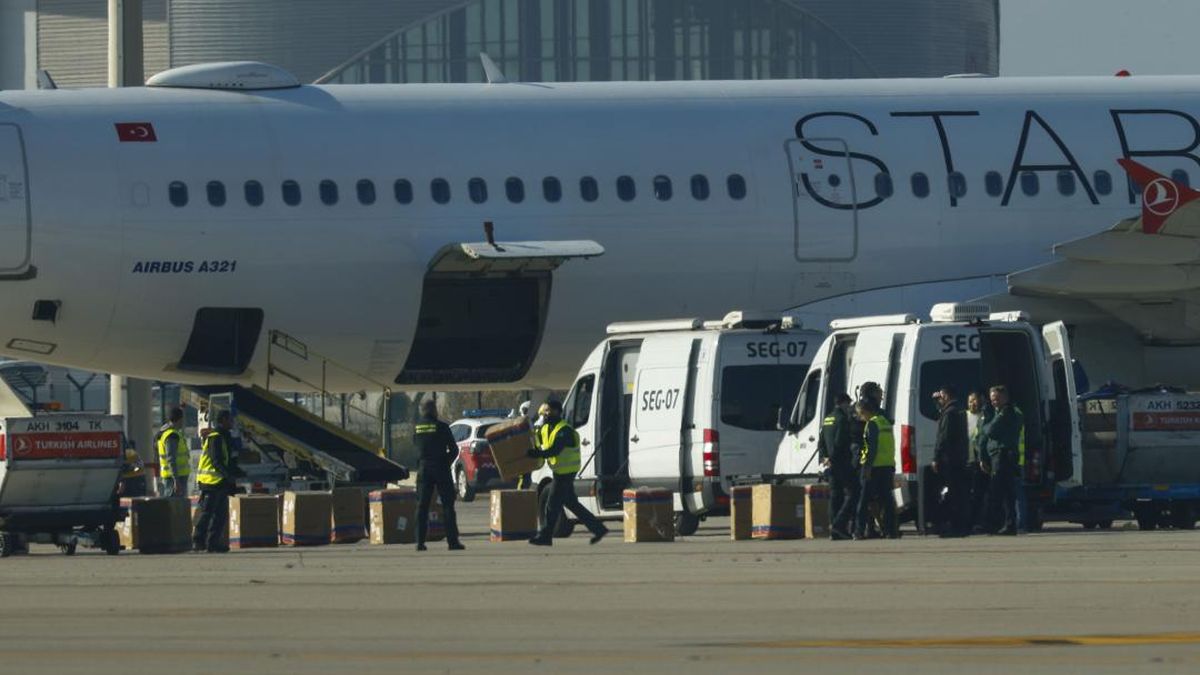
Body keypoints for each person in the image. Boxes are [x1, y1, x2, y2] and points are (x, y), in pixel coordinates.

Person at [528, 400, 608, 546]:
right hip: (558, 471)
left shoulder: (564, 430)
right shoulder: (546, 429)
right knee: (572, 504)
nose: (545, 414)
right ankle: (599, 529)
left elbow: (554, 450)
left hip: (566, 473)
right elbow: (538, 441)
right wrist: (533, 431)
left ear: (557, 412)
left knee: (552, 504)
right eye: (544, 412)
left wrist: (536, 453)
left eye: (548, 411)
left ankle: (546, 536)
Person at [413, 400, 465, 552]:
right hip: (441, 469)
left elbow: (416, 447)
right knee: (448, 506)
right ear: (434, 410)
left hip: (424, 469)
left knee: (422, 507)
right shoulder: (442, 427)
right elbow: (454, 450)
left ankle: (420, 543)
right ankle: (452, 542)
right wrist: (446, 462)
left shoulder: (417, 428)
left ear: (422, 411)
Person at [979, 385, 1023, 535]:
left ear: (1005, 398)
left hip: (1003, 455)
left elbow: (989, 430)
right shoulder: (998, 412)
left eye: (997, 398)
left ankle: (997, 524)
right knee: (1006, 492)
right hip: (999, 455)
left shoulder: (1007, 412)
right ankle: (1008, 524)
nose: (994, 402)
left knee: (998, 491)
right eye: (992, 399)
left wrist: (986, 424)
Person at [853, 399, 898, 540]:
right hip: (887, 466)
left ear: (865, 411)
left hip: (874, 467)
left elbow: (871, 448)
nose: (860, 417)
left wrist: (867, 467)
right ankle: (891, 531)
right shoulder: (885, 422)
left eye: (860, 414)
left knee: (864, 500)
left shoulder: (872, 424)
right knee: (887, 500)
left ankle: (859, 531)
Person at [192, 411, 237, 553]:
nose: (233, 422)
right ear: (223, 420)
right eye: (230, 419)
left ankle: (213, 543)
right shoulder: (215, 438)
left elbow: (226, 460)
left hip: (220, 482)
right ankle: (198, 541)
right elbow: (216, 460)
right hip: (210, 482)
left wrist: (236, 473)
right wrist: (228, 475)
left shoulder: (225, 437)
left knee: (220, 514)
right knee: (207, 513)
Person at [932, 385, 970, 537]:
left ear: (946, 396)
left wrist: (936, 457)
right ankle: (961, 525)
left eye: (941, 396)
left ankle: (954, 526)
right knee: (959, 493)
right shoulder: (959, 410)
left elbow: (943, 437)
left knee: (952, 493)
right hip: (959, 458)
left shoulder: (949, 413)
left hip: (949, 459)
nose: (940, 399)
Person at [818, 393, 856, 539]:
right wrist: (833, 458)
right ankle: (839, 525)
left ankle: (834, 530)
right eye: (848, 404)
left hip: (831, 463)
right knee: (854, 492)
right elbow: (840, 442)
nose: (849, 407)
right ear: (843, 403)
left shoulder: (827, 419)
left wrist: (825, 457)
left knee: (835, 495)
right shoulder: (842, 420)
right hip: (841, 462)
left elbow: (821, 442)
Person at [966, 392, 992, 528]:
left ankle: (980, 521)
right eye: (969, 401)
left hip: (979, 461)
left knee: (980, 492)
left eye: (974, 401)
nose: (972, 404)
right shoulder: (964, 417)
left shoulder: (984, 417)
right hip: (967, 461)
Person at [156, 406, 190, 498]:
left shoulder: (165, 433)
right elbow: (171, 459)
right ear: (180, 419)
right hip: (175, 478)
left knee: (174, 507)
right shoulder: (172, 436)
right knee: (175, 507)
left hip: (173, 477)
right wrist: (176, 480)